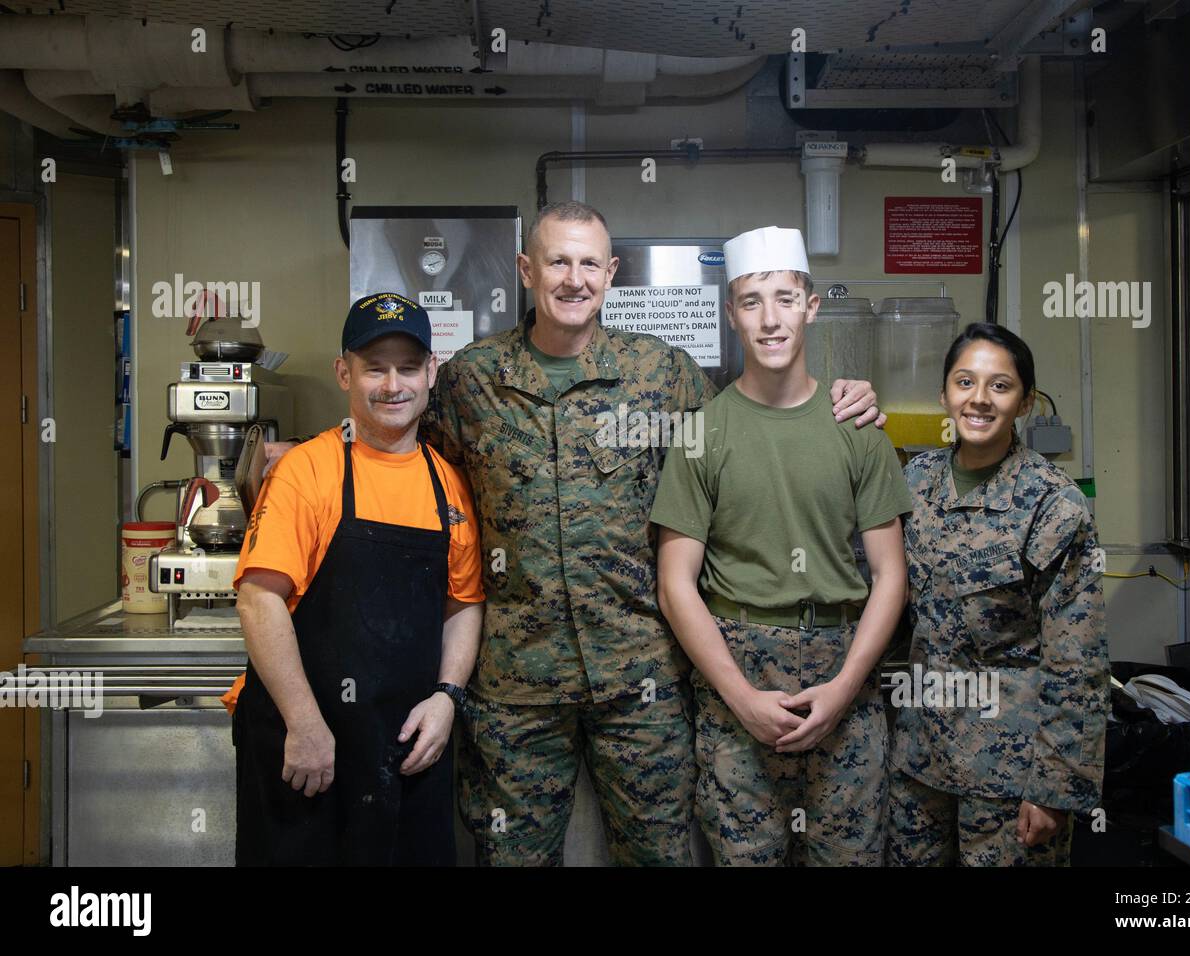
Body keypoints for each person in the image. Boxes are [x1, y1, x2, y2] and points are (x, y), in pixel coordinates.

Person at [425, 201, 888, 866]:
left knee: (660, 859)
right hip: (517, 684)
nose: (573, 279)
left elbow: (759, 420)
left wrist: (850, 398)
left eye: (589, 263)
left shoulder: (663, 376)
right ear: (527, 269)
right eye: (557, 261)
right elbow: (418, 472)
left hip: (639, 679)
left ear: (611, 273)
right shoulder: (470, 379)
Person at [650, 226, 911, 865]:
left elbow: (890, 575)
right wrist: (742, 699)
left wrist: (846, 686)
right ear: (731, 313)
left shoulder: (858, 430)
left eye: (785, 298)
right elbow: (675, 583)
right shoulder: (701, 434)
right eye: (751, 301)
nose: (770, 319)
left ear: (811, 305)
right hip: (738, 669)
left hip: (841, 668)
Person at [230, 292, 485, 866]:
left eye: (408, 367)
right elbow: (258, 600)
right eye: (375, 368)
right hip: (307, 752)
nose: (392, 384)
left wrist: (446, 698)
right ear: (344, 373)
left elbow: (464, 604)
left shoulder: (448, 485)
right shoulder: (305, 472)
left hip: (407, 750)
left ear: (430, 374)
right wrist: (305, 724)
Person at [886, 322, 1109, 866]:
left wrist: (1056, 787)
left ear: (1025, 402)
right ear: (944, 394)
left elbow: (1077, 660)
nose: (979, 399)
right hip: (921, 759)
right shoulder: (915, 483)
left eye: (999, 386)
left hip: (1010, 771)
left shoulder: (1052, 505)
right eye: (965, 382)